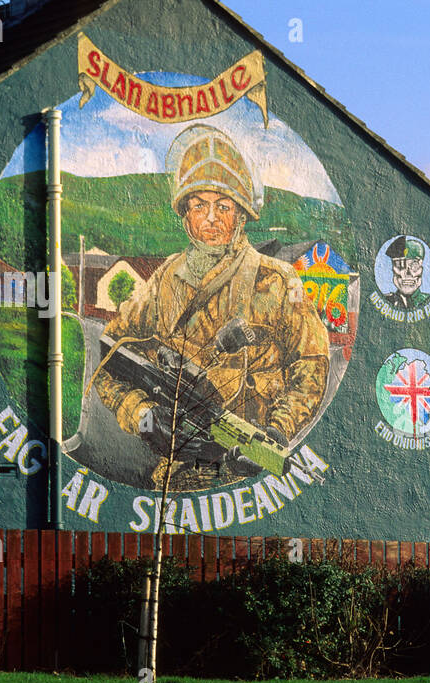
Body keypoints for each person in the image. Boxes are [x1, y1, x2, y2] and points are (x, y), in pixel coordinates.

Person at [92, 124, 329, 490]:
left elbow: (311, 368)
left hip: (250, 474)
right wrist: (141, 414)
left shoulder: (278, 281)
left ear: (241, 215)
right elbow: (108, 361)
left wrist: (276, 432)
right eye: (199, 205)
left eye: (223, 206)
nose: (211, 218)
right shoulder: (164, 280)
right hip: (176, 476)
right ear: (185, 215)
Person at [380, 235, 430, 310]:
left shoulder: (428, 301)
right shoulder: (386, 301)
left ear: (421, 269)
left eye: (414, 265)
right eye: (400, 266)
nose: (407, 273)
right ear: (393, 269)